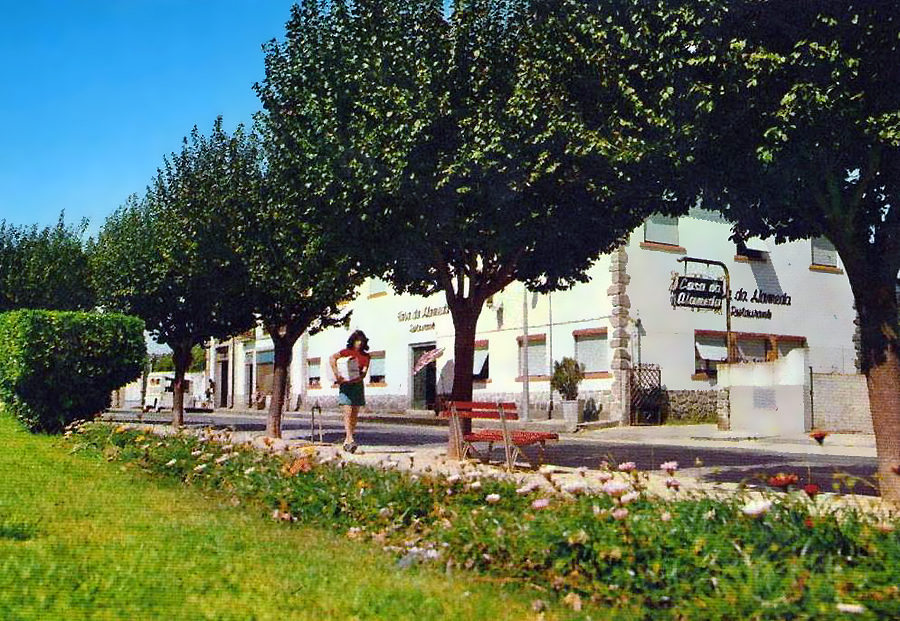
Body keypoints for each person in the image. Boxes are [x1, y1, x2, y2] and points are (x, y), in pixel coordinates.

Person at [330, 329, 370, 453]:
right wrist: (337, 374)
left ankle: (347, 440)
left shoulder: (366, 356)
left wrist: (360, 374)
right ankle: (350, 438)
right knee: (347, 412)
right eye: (357, 341)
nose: (359, 343)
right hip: (346, 385)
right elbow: (332, 358)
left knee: (354, 414)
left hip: (357, 385)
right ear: (353, 341)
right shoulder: (346, 352)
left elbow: (364, 371)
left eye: (361, 341)